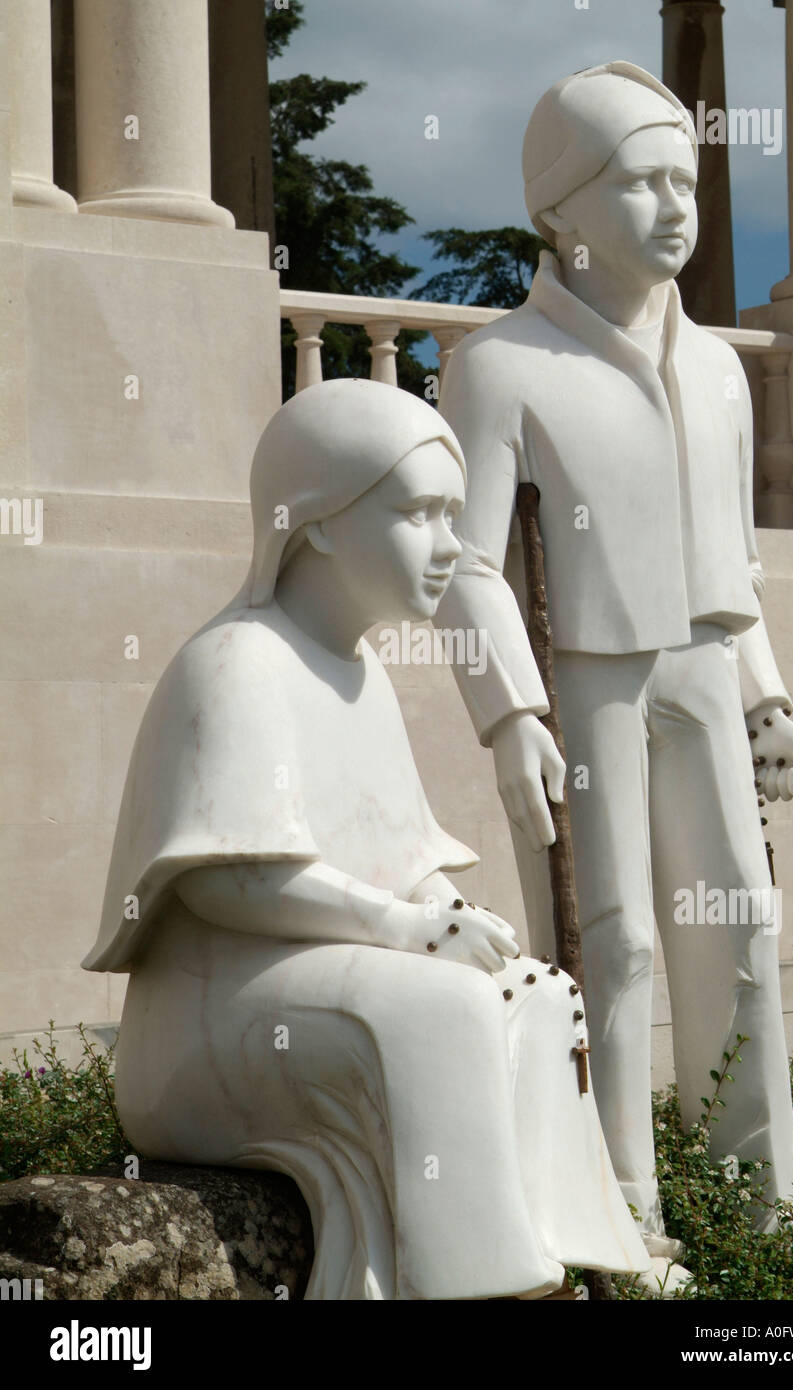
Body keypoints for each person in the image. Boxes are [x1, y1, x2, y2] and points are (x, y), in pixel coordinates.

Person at [82, 377, 649, 1301]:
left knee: (536, 993)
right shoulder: (237, 664)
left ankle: (562, 1256)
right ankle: (482, 1285)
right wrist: (409, 930)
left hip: (322, 977)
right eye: (419, 514)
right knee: (445, 1010)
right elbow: (236, 885)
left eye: (452, 516)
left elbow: (404, 860)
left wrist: (448, 917)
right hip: (212, 1018)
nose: (450, 549)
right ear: (317, 522)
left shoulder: (363, 677)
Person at [436, 62, 793, 1288]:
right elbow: (463, 568)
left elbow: (738, 565)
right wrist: (509, 712)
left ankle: (756, 1200)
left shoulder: (717, 371)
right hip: (586, 685)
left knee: (741, 927)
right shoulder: (500, 366)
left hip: (704, 670)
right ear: (562, 205)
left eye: (685, 182)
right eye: (640, 182)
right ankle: (619, 1208)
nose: (674, 208)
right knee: (610, 940)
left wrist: (764, 695)